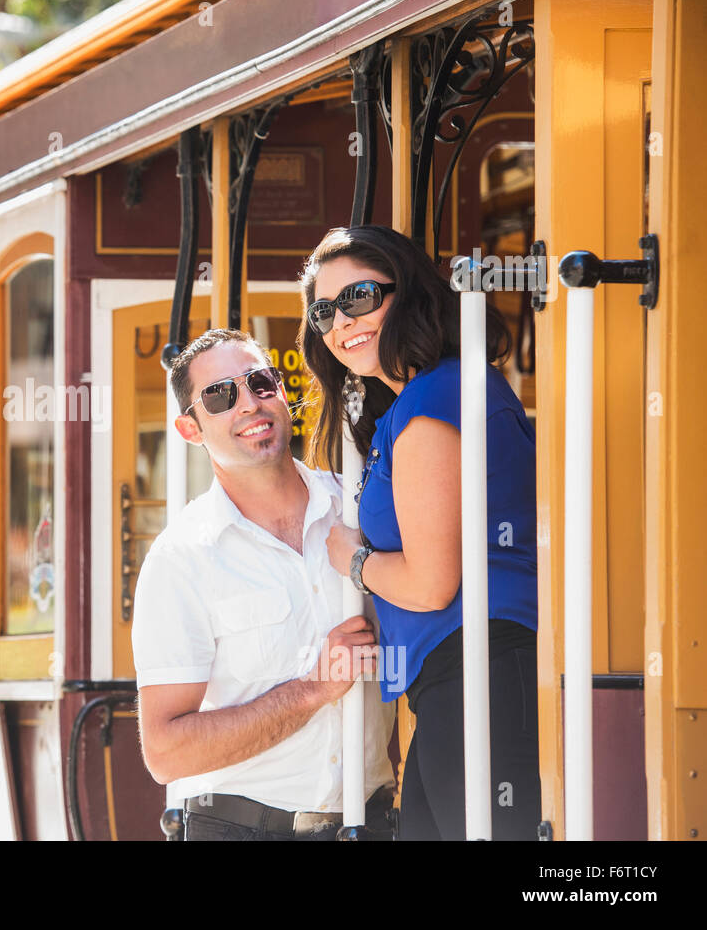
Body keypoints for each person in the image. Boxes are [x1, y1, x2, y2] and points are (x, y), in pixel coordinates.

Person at [297, 224, 541, 840]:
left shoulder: (435, 399)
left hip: (482, 667)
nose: (340, 322)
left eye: (359, 298)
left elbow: (432, 584)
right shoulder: (410, 403)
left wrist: (352, 561)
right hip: (451, 678)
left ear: (406, 292)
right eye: (325, 311)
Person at [133, 327, 396, 841]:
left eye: (260, 382)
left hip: (373, 822)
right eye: (220, 396)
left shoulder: (359, 509)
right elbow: (166, 752)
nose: (248, 404)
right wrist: (312, 690)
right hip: (240, 828)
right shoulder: (181, 558)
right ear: (190, 429)